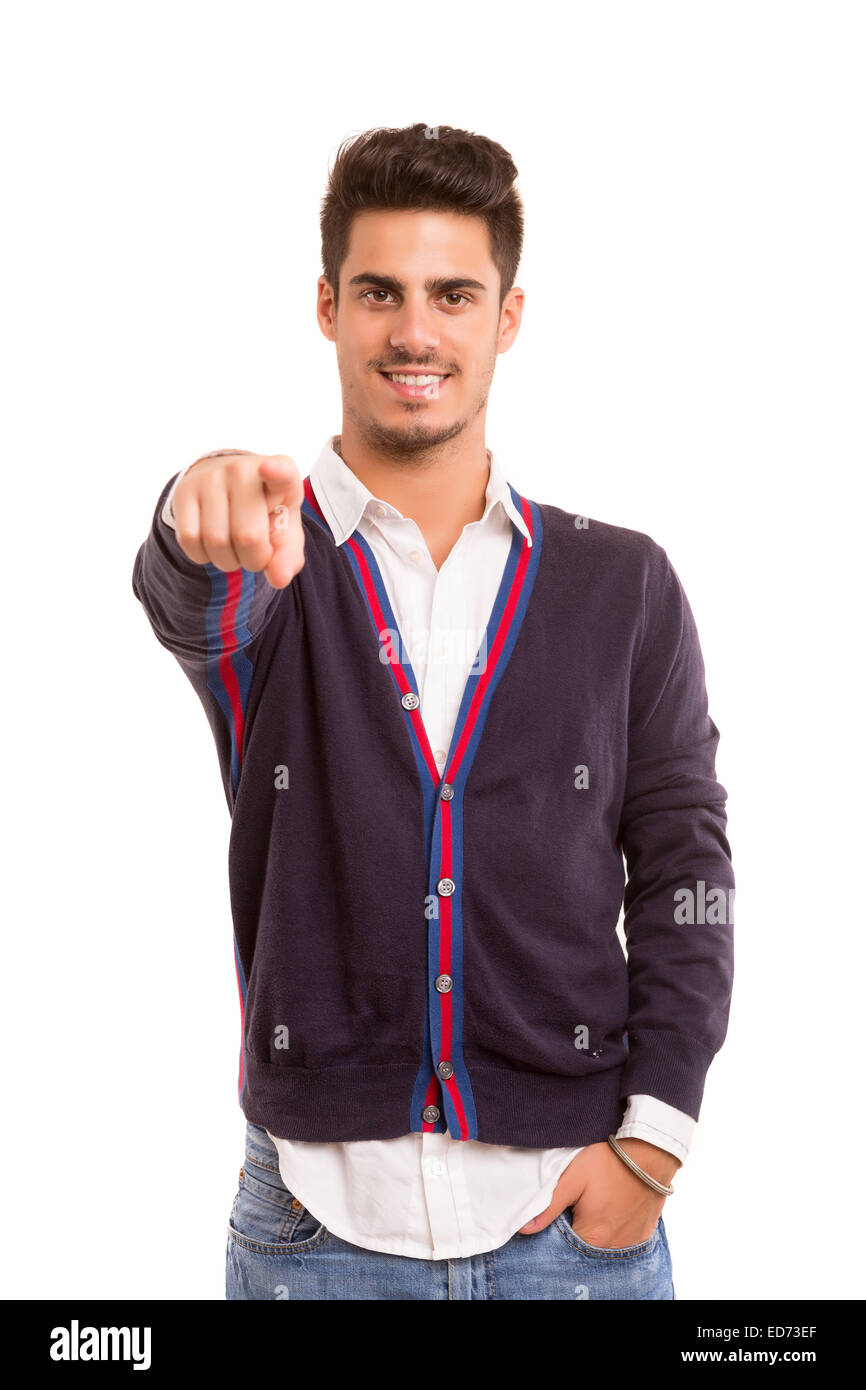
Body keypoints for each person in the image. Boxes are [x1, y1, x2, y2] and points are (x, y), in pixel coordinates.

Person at [131, 123, 735, 1301]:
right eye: (379, 293)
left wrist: (653, 1143)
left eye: (452, 294)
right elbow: (186, 597)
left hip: (572, 1236)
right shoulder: (270, 564)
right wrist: (184, 512)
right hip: (312, 1234)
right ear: (327, 307)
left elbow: (683, 870)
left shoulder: (623, 585)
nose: (415, 331)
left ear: (506, 317)